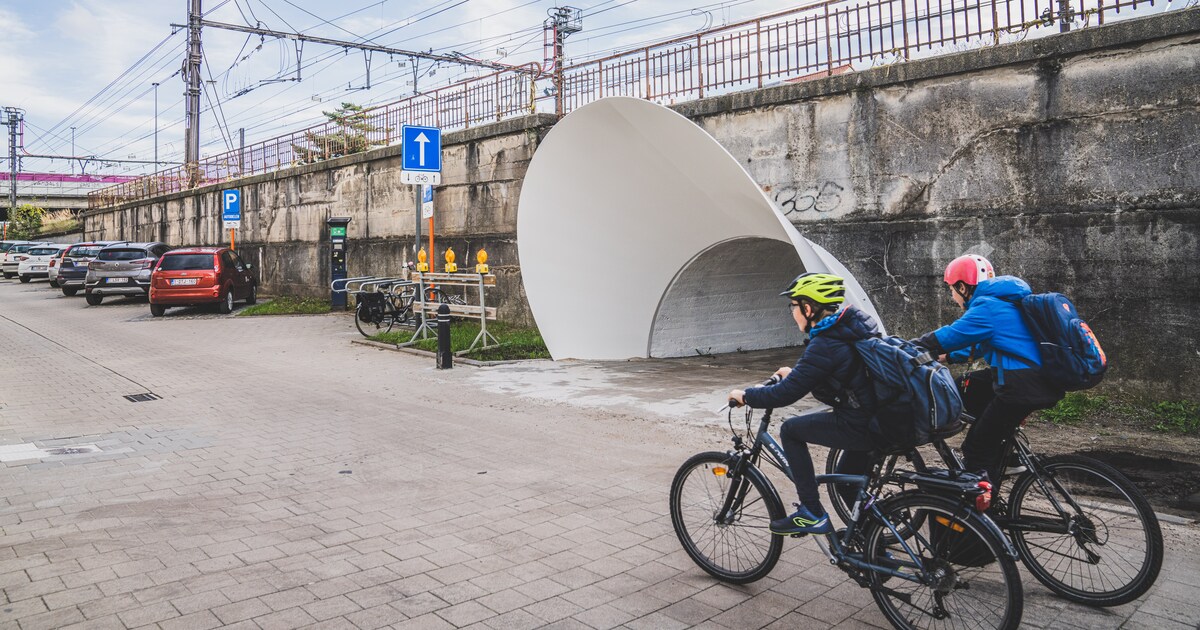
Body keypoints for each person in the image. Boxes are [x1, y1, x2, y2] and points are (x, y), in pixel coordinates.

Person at [728, 272, 884, 535]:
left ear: (808, 308)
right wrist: (797, 374)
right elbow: (836, 374)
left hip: (860, 423)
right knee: (846, 482)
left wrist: (746, 396)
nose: (793, 312)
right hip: (880, 418)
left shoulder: (825, 344)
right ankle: (874, 543)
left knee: (790, 430)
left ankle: (811, 511)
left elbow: (784, 395)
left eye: (794, 306)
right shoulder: (847, 331)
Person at [912, 254, 1064, 491]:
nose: (952, 296)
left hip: (1020, 387)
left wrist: (907, 347)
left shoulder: (987, 307)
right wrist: (949, 356)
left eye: (951, 289)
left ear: (962, 287)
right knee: (966, 385)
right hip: (1040, 380)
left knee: (976, 449)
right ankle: (1005, 453)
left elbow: (951, 335)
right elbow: (980, 343)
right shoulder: (1007, 301)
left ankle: (980, 515)